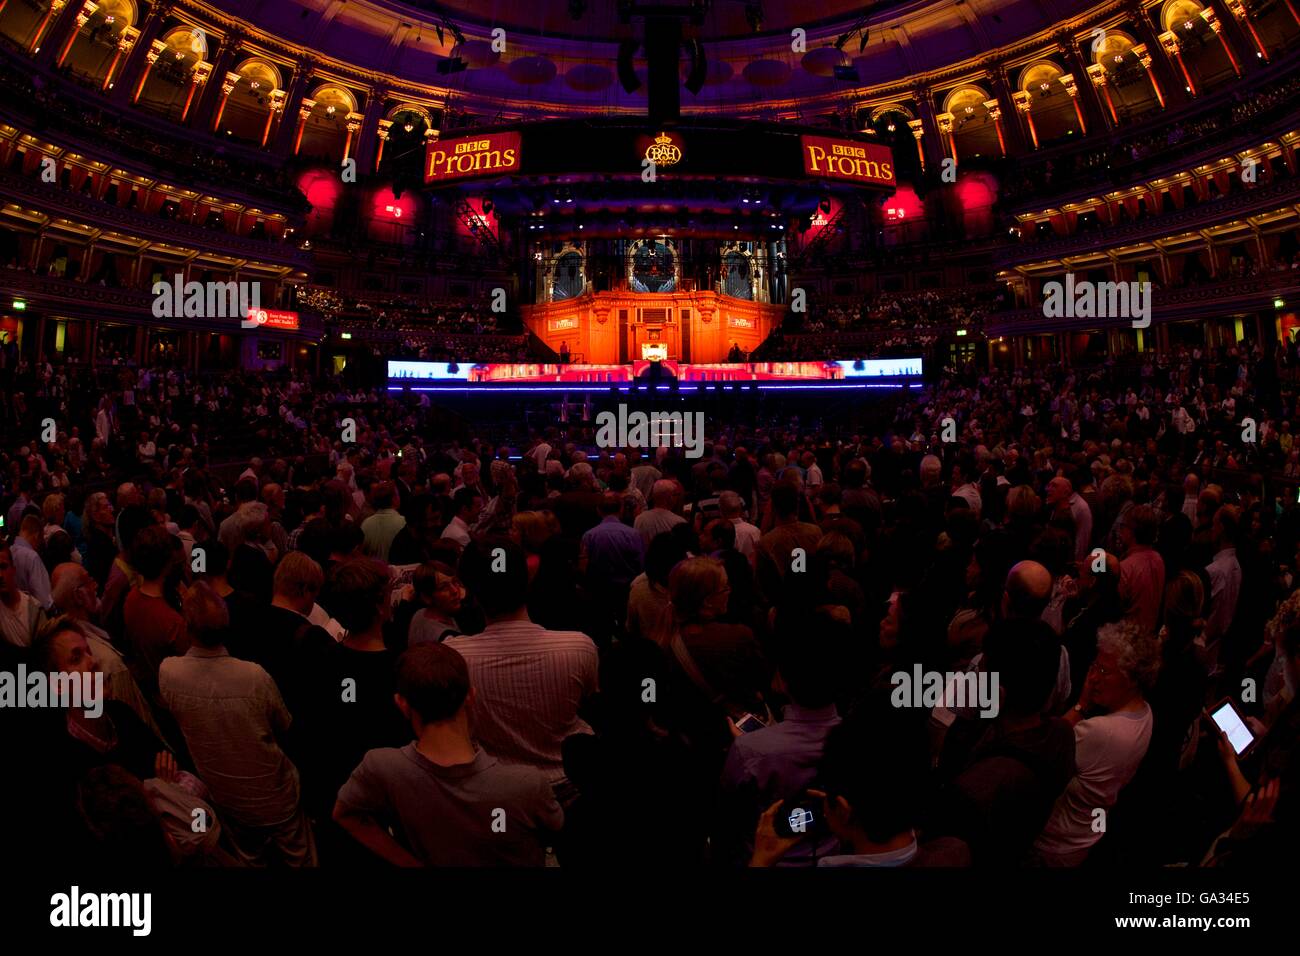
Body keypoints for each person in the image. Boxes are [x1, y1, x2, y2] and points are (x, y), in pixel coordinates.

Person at [333, 643, 563, 866]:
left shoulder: (381, 767)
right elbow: (555, 832)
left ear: (402, 704)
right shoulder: (526, 784)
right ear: (471, 696)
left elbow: (345, 814)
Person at [160, 582, 316, 866]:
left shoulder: (169, 672)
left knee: (250, 859)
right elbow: (284, 726)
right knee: (300, 859)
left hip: (227, 798)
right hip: (275, 796)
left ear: (188, 626)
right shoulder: (253, 677)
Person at [443, 540, 598, 796]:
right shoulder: (579, 647)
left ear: (468, 589)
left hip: (498, 791)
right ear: (527, 579)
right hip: (569, 785)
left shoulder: (454, 656)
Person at [1032, 621, 1158, 866]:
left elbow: (1044, 746)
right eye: (1094, 666)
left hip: (1055, 843)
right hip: (1087, 832)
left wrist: (1081, 704)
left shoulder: (1101, 731)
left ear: (1132, 679)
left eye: (1104, 671)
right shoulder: (1146, 714)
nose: (1093, 678)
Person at [121, 524, 188, 707]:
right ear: (168, 561)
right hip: (173, 697)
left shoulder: (131, 598)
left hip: (151, 690)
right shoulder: (172, 621)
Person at [0, 540, 48, 649]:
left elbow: (42, 656)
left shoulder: (34, 611)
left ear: (13, 570)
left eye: (3, 567)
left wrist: (21, 666)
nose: (0, 575)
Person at [407, 560, 466, 646]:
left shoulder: (419, 614)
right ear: (426, 597)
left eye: (454, 582)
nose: (455, 591)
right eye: (443, 587)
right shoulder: (447, 639)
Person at [11, 514, 53, 610]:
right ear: (37, 535)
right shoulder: (32, 557)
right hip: (31, 613)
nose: (38, 546)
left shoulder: (9, 551)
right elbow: (43, 597)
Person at [360, 481, 406, 563]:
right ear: (394, 499)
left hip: (373, 571)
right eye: (398, 495)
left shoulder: (366, 524)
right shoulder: (404, 523)